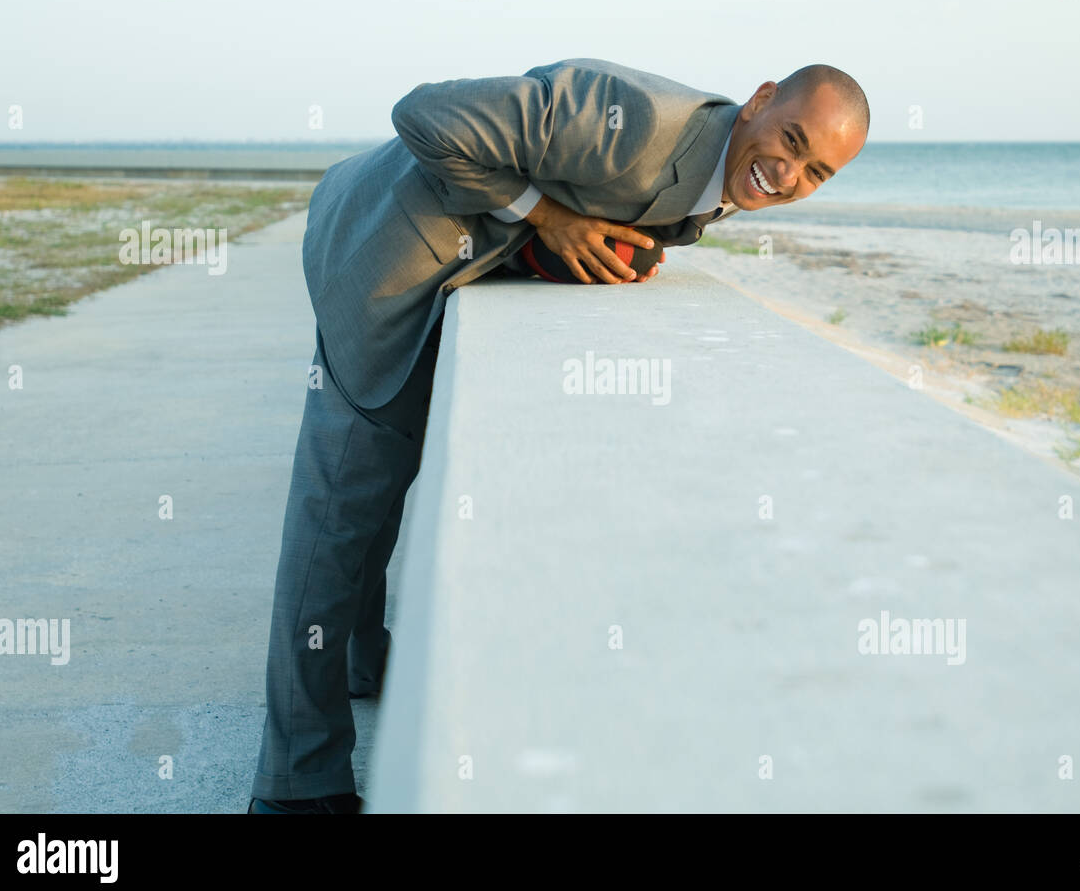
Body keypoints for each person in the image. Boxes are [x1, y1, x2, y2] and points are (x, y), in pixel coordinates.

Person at [248, 57, 869, 812]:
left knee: (382, 494)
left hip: (453, 270)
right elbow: (423, 114)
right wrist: (549, 219)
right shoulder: (629, 117)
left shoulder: (729, 167)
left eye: (816, 171)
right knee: (336, 520)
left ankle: (361, 657)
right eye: (792, 140)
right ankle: (293, 779)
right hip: (380, 258)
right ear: (761, 100)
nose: (789, 172)